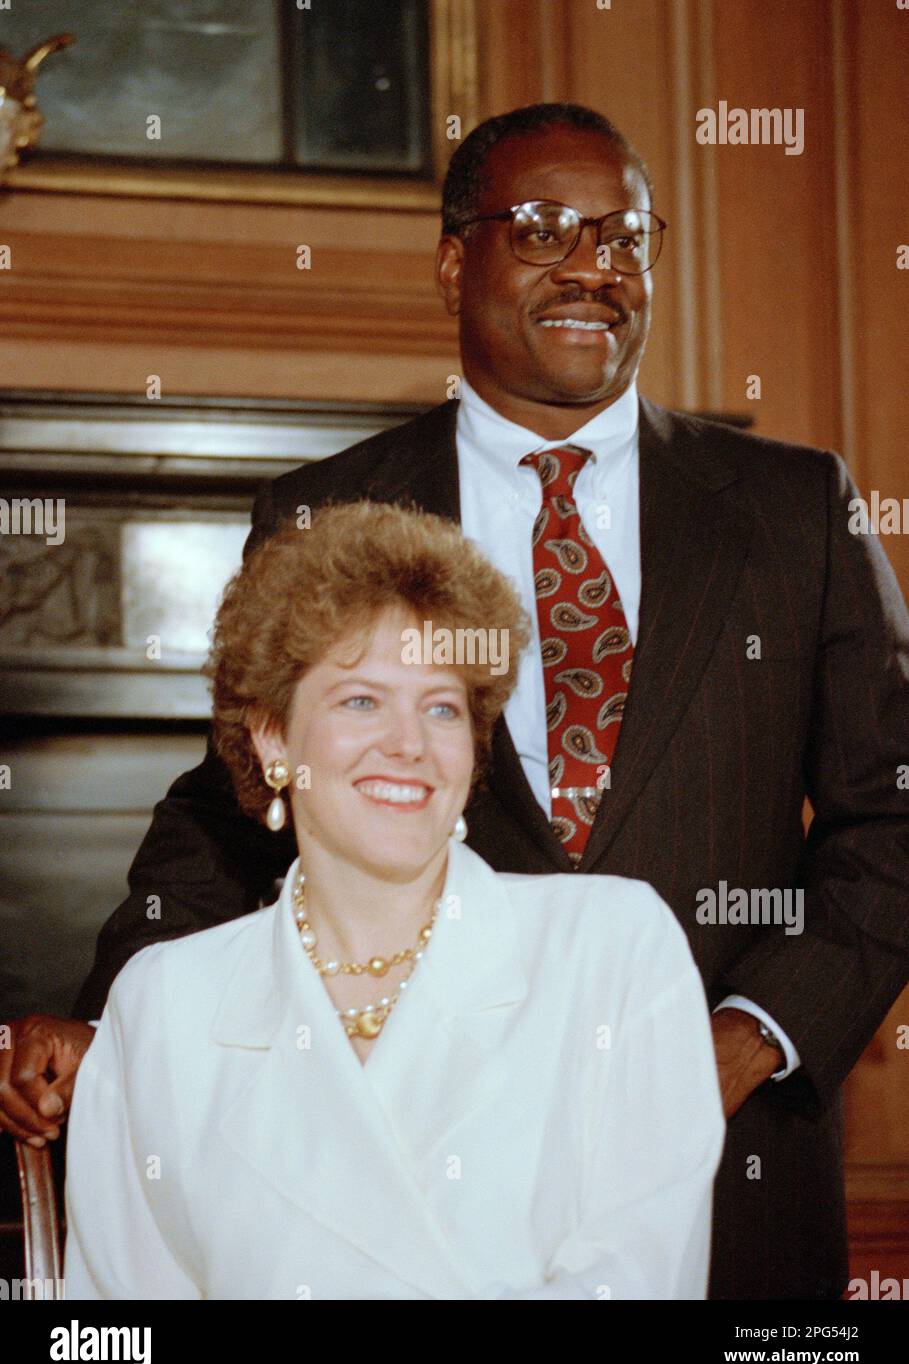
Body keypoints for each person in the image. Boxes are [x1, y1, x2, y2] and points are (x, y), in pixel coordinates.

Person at [2, 102, 908, 1301]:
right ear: (452, 263)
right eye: (543, 230)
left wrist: (742, 1039)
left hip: (733, 1167)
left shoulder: (797, 507)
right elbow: (233, 805)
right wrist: (107, 1027)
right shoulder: (328, 508)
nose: (595, 265)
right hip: (421, 1168)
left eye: (625, 236)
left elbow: (890, 815)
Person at [62, 501, 724, 1300]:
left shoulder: (612, 949)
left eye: (440, 707)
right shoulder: (161, 1002)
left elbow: (637, 1280)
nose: (408, 743)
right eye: (360, 701)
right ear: (273, 737)